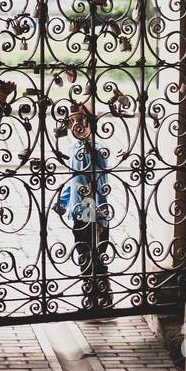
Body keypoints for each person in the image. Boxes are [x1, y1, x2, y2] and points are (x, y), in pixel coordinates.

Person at [57, 103, 114, 313]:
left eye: (79, 121)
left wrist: (99, 217)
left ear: (90, 123)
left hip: (95, 211)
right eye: (71, 122)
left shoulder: (98, 149)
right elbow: (73, 180)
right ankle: (90, 297)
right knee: (83, 253)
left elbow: (101, 183)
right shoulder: (73, 149)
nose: (75, 126)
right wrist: (62, 202)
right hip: (79, 213)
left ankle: (104, 298)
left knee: (98, 255)